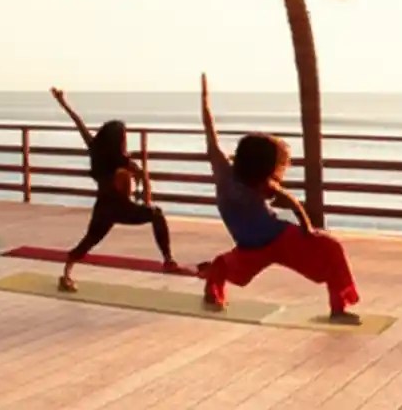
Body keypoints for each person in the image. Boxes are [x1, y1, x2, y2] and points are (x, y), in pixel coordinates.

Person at [197, 73, 361, 324]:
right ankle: (212, 293)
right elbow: (210, 131)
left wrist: (308, 230)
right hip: (251, 249)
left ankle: (339, 308)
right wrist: (205, 101)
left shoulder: (258, 183)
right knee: (222, 266)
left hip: (279, 238)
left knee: (331, 249)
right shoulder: (224, 170)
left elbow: (293, 203)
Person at [50, 86, 179, 292]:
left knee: (87, 243)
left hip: (103, 209)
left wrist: (63, 103)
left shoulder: (96, 150)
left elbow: (79, 124)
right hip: (120, 208)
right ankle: (168, 259)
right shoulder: (122, 159)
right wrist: (146, 197)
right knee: (156, 214)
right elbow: (143, 175)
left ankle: (66, 274)